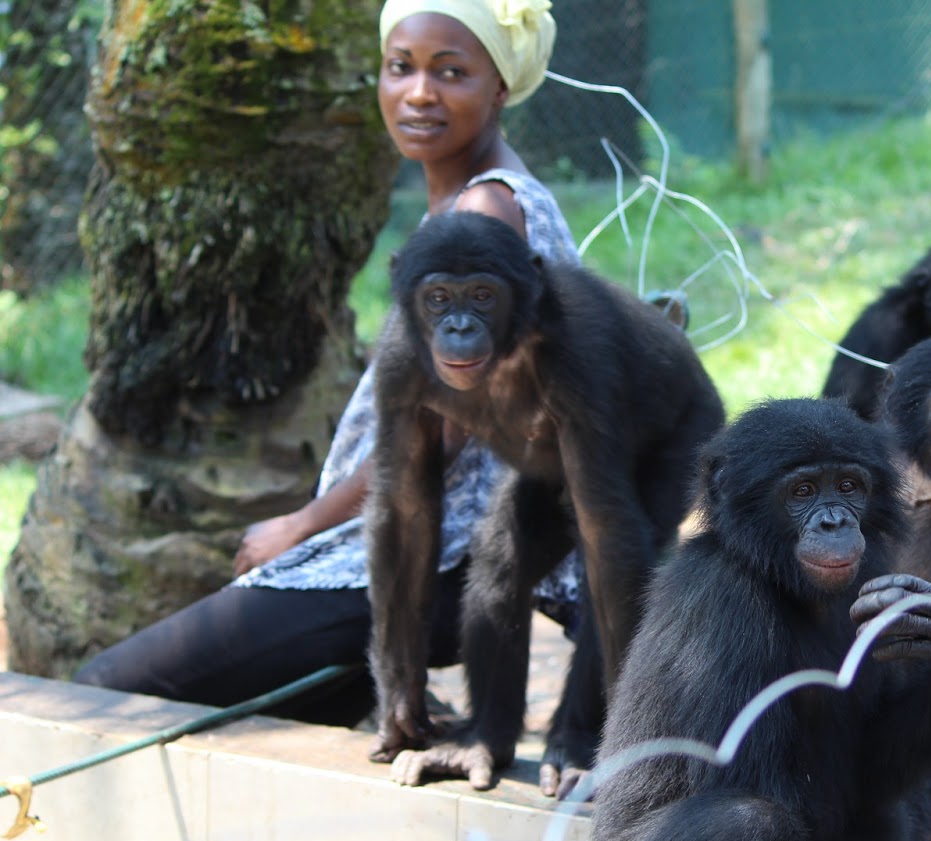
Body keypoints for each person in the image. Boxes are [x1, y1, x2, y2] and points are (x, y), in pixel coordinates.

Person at [74, 0, 585, 742]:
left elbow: (442, 434)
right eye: (399, 67)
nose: (418, 93)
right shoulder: (491, 197)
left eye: (451, 72)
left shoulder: (485, 211)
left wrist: (301, 525)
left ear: (500, 88)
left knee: (110, 695)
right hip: (431, 548)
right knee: (272, 722)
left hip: (429, 556)